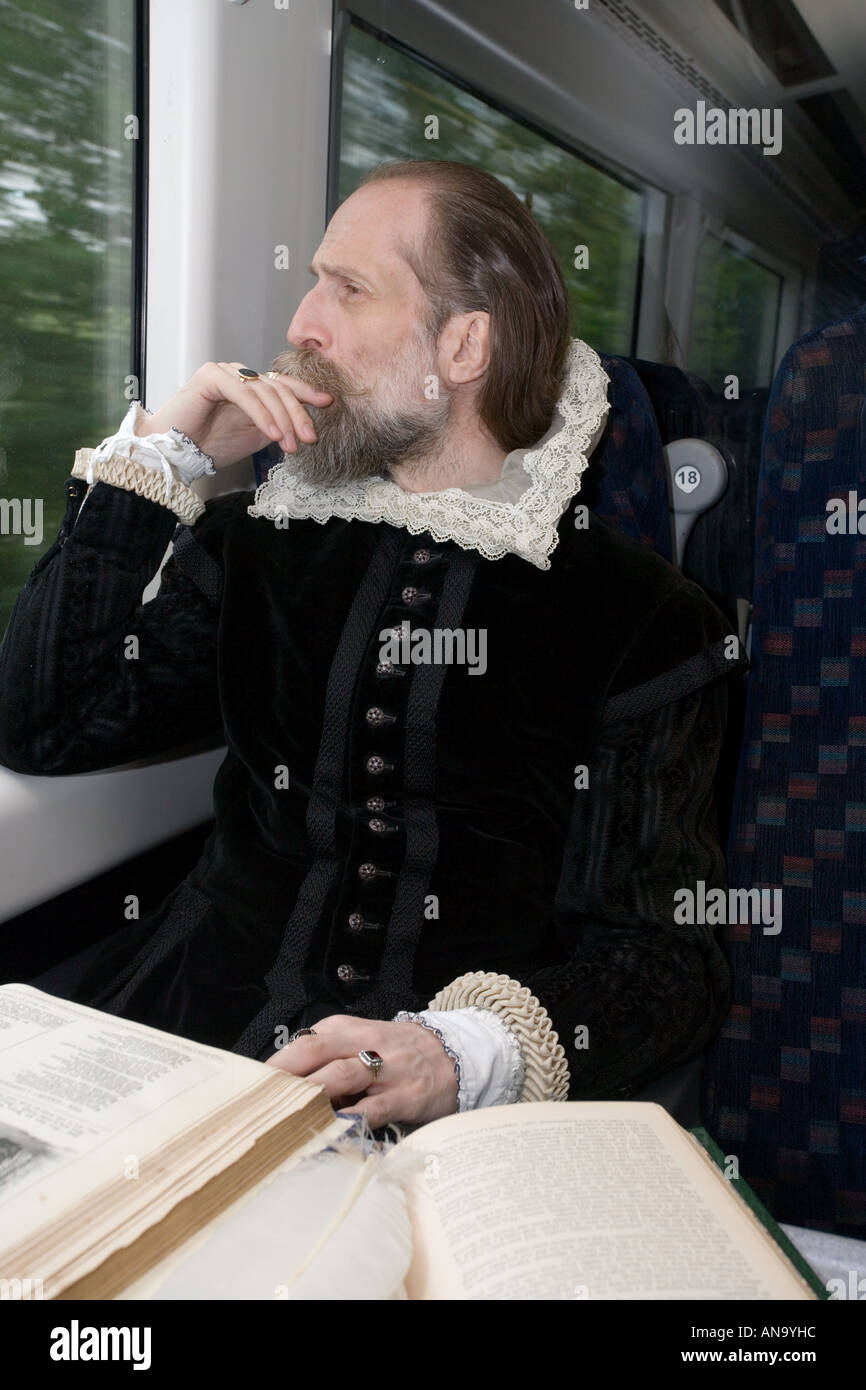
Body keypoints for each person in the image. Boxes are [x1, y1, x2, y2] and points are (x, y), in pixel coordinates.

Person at [0, 159, 745, 1129]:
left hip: (441, 1118)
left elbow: (664, 958)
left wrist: (459, 1050)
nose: (300, 326)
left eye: (345, 289)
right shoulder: (254, 544)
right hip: (177, 1032)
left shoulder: (646, 622)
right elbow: (44, 722)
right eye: (311, 282)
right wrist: (166, 457)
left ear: (465, 344)